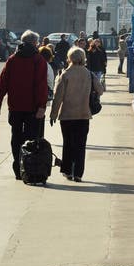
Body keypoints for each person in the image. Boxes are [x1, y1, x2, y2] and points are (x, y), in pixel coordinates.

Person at [0, 30, 48, 179]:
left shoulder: (12, 59)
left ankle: (17, 168)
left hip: (15, 106)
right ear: (35, 43)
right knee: (31, 139)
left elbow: (2, 82)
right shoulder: (39, 60)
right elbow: (41, 85)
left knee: (16, 137)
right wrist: (42, 106)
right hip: (33, 107)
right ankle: (27, 168)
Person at [49, 46, 104, 182]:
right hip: (83, 115)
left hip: (67, 116)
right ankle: (78, 173)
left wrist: (53, 114)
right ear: (83, 58)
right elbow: (100, 90)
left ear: (70, 58)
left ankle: (67, 170)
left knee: (68, 143)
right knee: (80, 145)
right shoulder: (89, 74)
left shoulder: (65, 74)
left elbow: (58, 97)